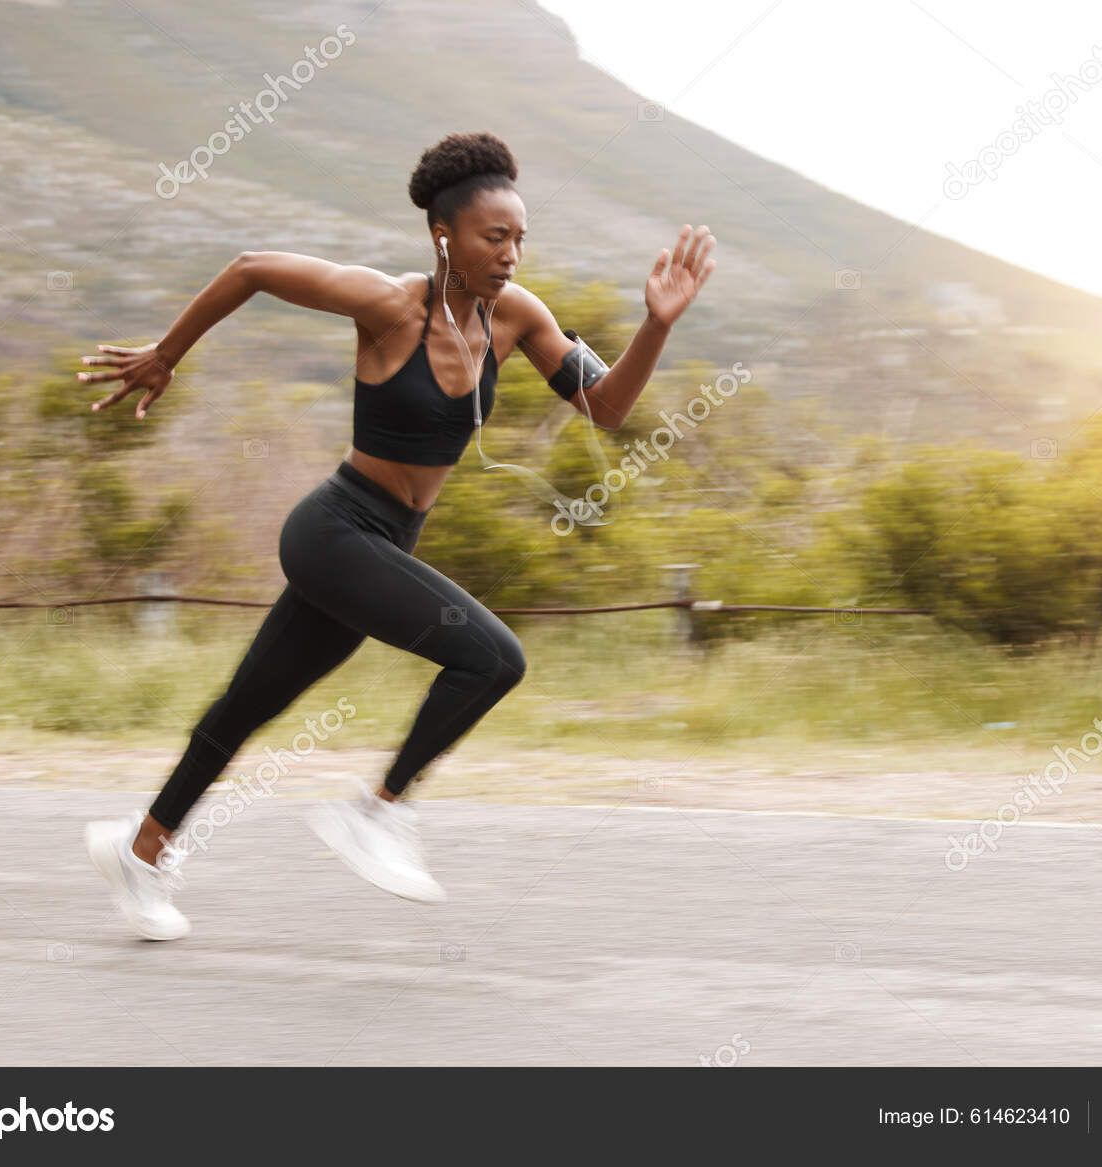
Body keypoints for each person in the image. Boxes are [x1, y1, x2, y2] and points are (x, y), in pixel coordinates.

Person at [78, 131, 716, 939]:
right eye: (496, 237)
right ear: (443, 234)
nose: (513, 254)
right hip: (335, 530)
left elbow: (608, 408)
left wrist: (657, 325)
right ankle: (377, 814)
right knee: (493, 658)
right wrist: (167, 354)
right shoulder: (388, 306)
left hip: (382, 545)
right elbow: (250, 269)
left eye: (520, 237)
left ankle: (138, 855)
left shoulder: (517, 317)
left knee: (248, 704)